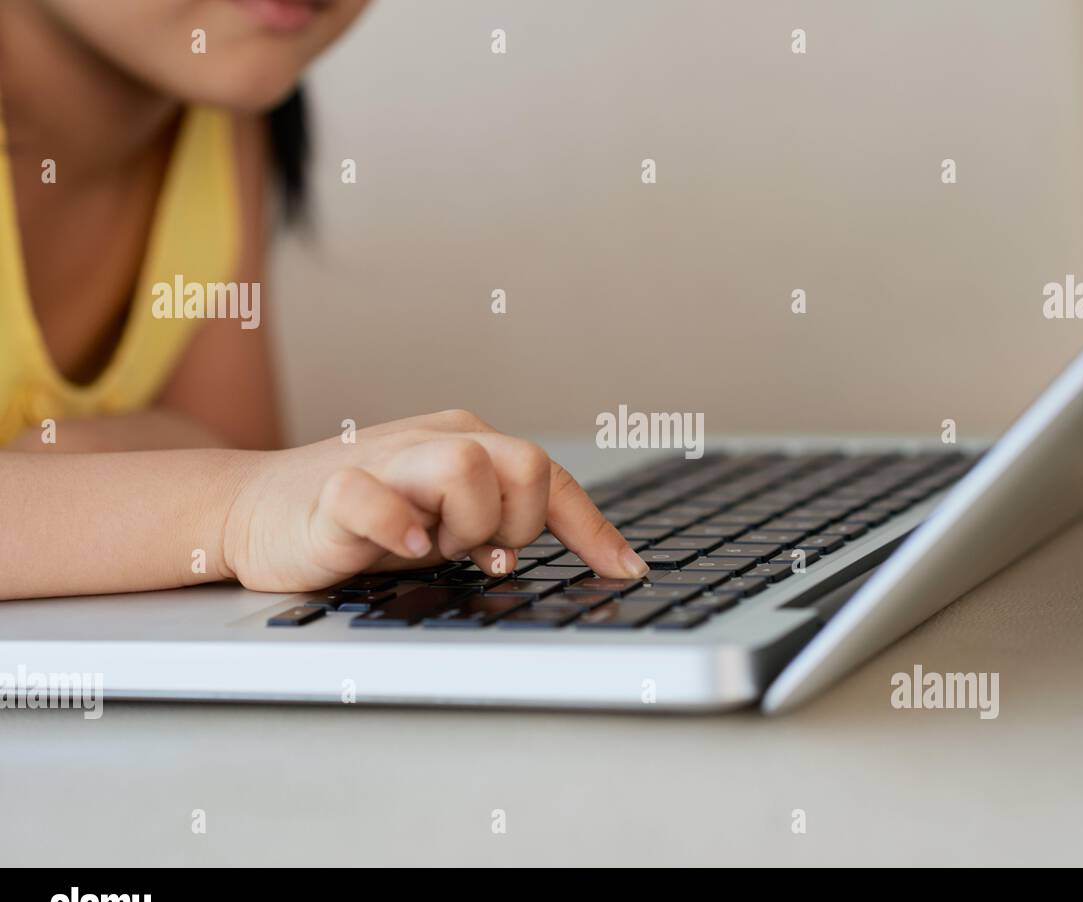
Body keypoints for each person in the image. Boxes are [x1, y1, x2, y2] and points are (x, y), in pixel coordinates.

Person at [0, 0, 647, 600]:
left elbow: (232, 450)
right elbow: (239, 483)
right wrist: (232, 504)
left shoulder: (217, 112)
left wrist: (66, 477)